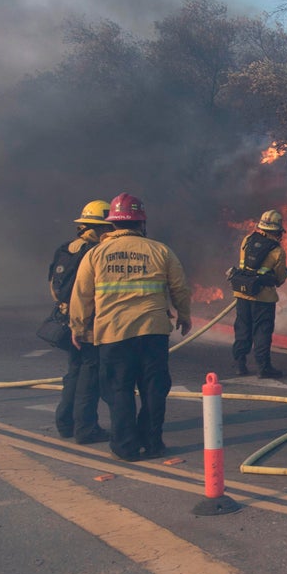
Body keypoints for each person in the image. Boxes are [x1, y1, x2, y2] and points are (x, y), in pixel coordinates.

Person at [69, 193, 192, 462]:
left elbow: (81, 295)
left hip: (114, 334)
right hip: (153, 332)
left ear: (112, 223)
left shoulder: (96, 254)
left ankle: (125, 447)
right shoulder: (161, 250)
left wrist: (78, 327)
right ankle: (152, 443)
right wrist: (184, 315)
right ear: (142, 223)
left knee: (118, 390)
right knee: (153, 390)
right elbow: (180, 288)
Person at [50, 200, 113, 443]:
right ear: (100, 228)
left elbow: (54, 289)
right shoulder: (93, 253)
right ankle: (86, 429)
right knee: (90, 375)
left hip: (67, 319)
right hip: (87, 323)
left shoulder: (66, 249)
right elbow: (89, 292)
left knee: (74, 372)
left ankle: (65, 423)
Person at [231, 209, 287, 378]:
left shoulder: (247, 240)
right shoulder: (277, 251)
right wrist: (283, 273)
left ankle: (239, 364)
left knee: (242, 329)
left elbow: (246, 267)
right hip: (264, 298)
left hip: (243, 294)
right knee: (262, 331)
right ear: (277, 230)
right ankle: (263, 368)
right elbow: (279, 279)